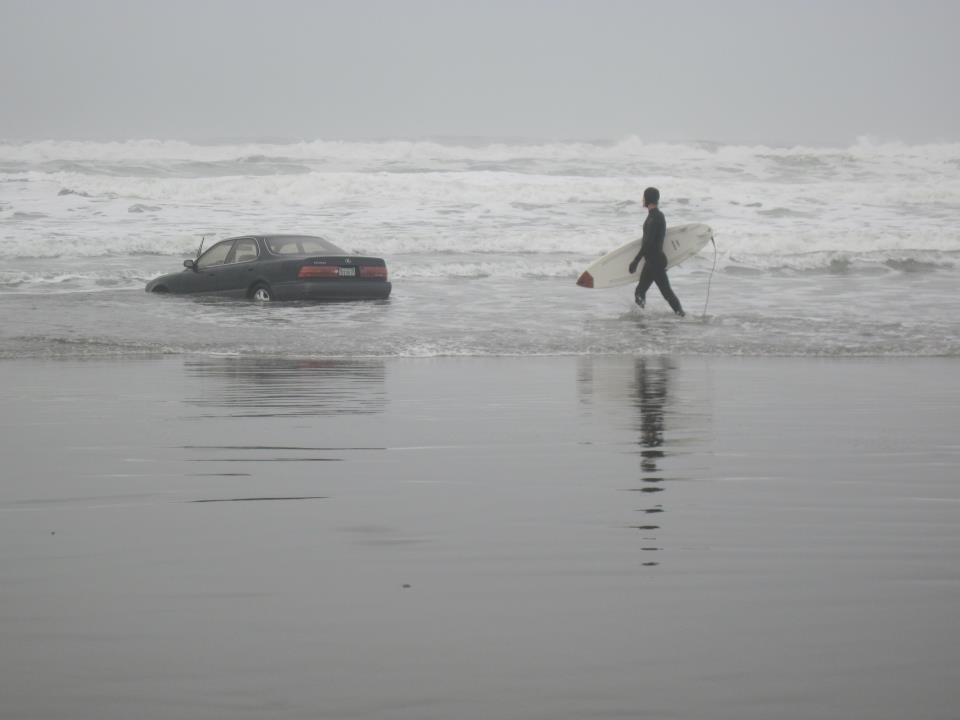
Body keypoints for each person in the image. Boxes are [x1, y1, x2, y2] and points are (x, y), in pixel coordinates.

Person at [628, 187, 685, 317]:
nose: (642, 200)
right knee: (641, 291)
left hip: (655, 261)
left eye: (644, 197)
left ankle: (682, 315)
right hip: (653, 261)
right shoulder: (655, 216)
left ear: (647, 199)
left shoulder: (654, 218)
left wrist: (635, 261)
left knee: (665, 293)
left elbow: (648, 243)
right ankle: (640, 317)